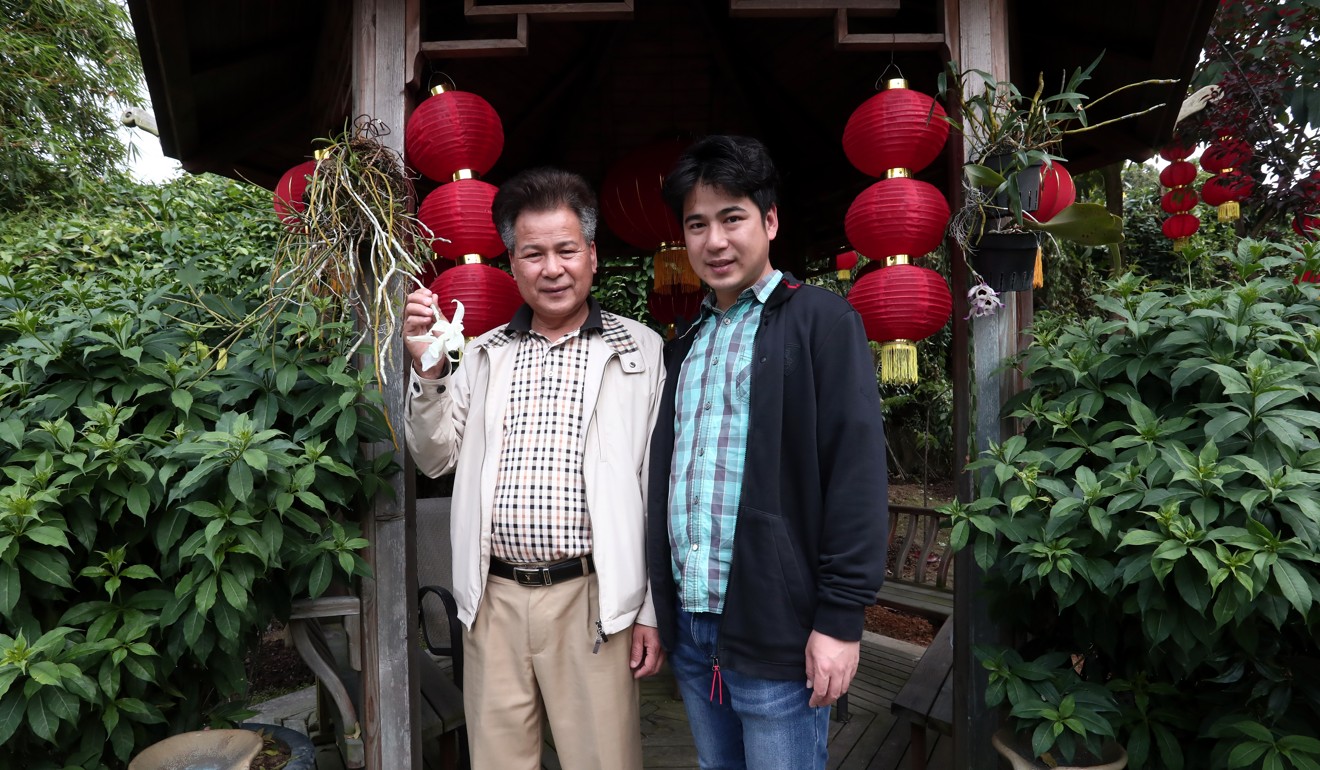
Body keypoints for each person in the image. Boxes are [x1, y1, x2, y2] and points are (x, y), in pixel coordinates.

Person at [402, 167, 666, 770]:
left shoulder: (638, 350)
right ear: (513, 265)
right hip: (491, 598)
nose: (553, 268)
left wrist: (647, 610)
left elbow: (653, 486)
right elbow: (434, 456)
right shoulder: (483, 354)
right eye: (534, 254)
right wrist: (429, 372)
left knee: (603, 760)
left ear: (593, 256)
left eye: (567, 250)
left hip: (593, 597)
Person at [647, 135, 889, 770]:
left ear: (770, 220)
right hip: (695, 626)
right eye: (697, 225)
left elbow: (856, 476)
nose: (715, 242)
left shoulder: (821, 322)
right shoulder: (686, 345)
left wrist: (840, 621)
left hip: (780, 625)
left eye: (733, 218)